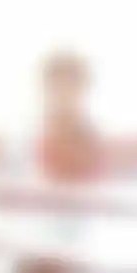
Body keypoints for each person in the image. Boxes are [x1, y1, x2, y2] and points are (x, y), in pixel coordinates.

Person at [37, 51, 102, 183]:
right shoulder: (35, 138)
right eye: (57, 86)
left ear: (82, 89)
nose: (63, 94)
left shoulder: (94, 142)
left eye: (70, 85)